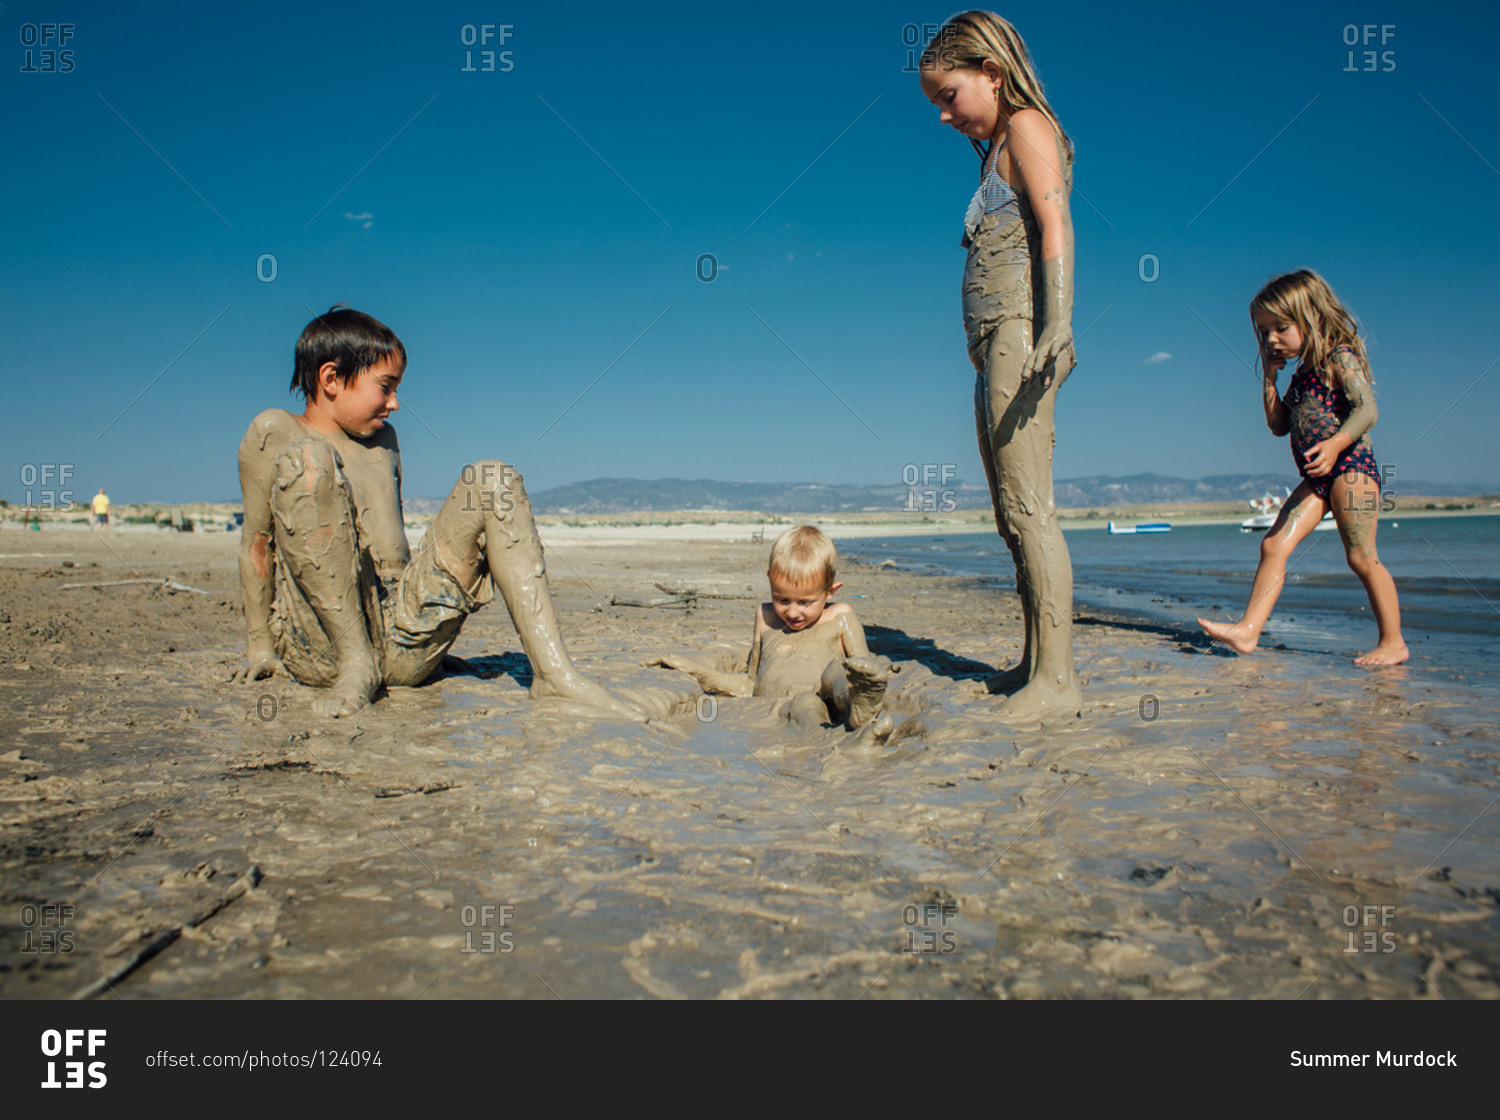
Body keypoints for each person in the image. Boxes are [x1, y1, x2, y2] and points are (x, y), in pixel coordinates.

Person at [233, 307, 637, 718]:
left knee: (492, 479)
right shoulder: (276, 430)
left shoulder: (385, 440)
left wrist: (429, 635)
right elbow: (257, 544)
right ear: (331, 378)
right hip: (323, 646)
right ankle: (358, 663)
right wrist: (260, 647)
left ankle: (553, 674)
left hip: (403, 629)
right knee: (308, 459)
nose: (394, 404)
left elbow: (391, 542)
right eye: (386, 387)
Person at [918, 11, 1079, 720]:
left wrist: (1060, 323)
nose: (944, 116)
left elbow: (1055, 223)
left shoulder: (1026, 128)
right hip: (992, 348)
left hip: (1020, 335)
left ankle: (1060, 680)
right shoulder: (993, 153)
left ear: (991, 72)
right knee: (1009, 517)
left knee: (1029, 506)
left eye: (949, 96)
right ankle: (1034, 661)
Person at [1198, 270, 1407, 666]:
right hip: (1319, 476)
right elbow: (1278, 426)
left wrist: (1335, 444)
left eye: (1280, 328)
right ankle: (1248, 631)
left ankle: (1393, 641)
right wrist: (1270, 378)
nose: (1271, 339)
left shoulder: (1337, 358)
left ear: (1309, 317)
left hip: (1352, 469)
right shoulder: (1302, 374)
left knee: (1362, 557)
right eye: (1264, 332)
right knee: (1273, 544)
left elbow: (1368, 410)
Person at [647, 526, 895, 742]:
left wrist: (863, 685)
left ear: (830, 591)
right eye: (782, 599)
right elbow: (750, 681)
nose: (793, 612)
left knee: (837, 672)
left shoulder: (840, 616)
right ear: (770, 582)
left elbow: (863, 666)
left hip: (830, 693)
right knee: (805, 706)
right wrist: (695, 670)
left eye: (806, 602)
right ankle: (833, 731)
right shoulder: (765, 617)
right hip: (783, 705)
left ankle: (859, 703)